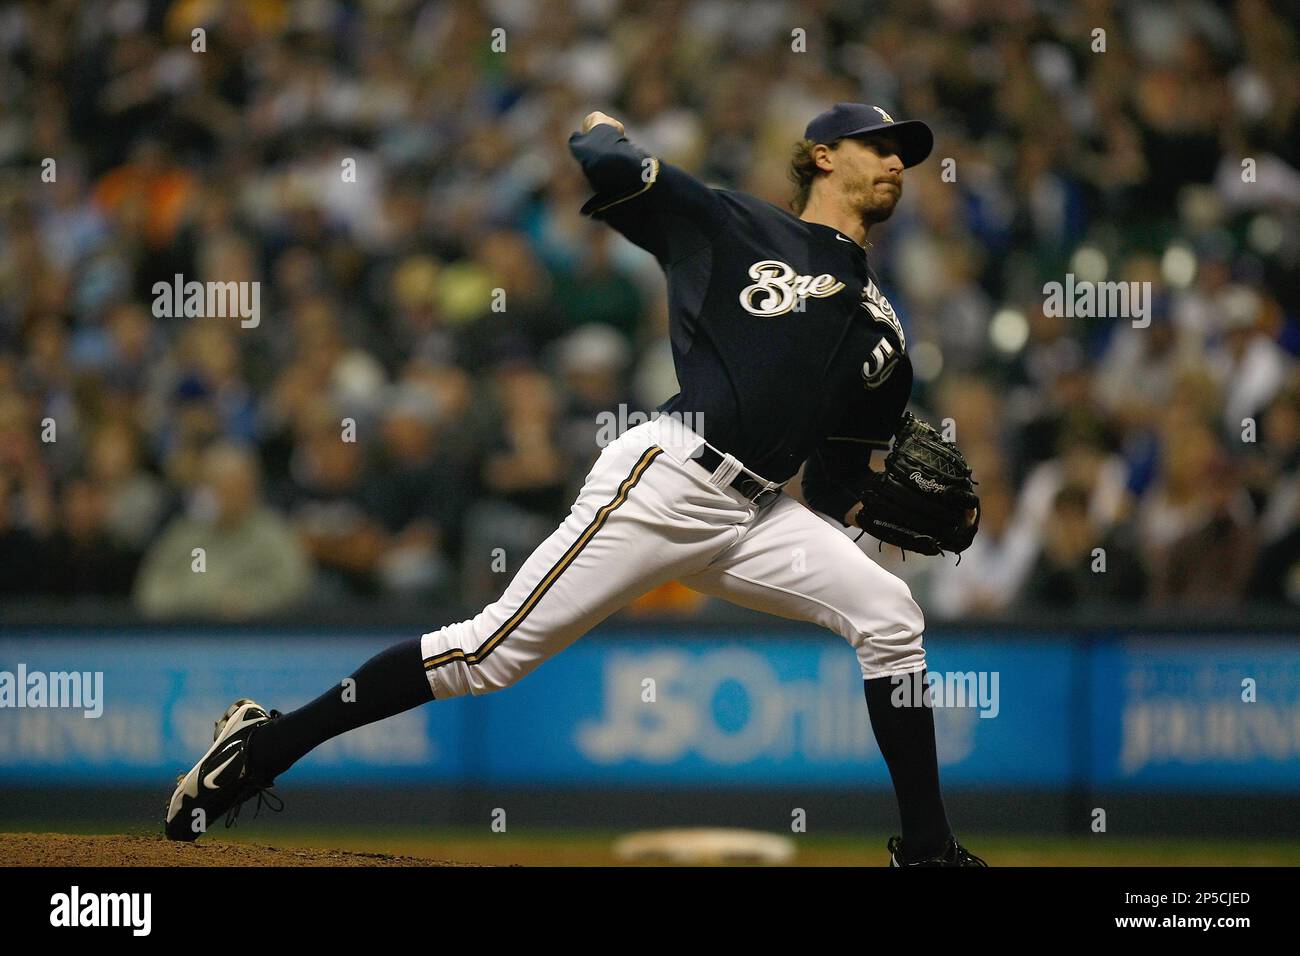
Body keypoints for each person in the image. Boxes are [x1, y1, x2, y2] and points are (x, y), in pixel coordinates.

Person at [165, 104, 985, 867]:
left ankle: (927, 852)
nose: (896, 163)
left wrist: (871, 507)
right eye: (880, 146)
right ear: (821, 154)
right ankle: (265, 744)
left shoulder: (885, 328)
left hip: (759, 509)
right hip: (666, 481)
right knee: (487, 653)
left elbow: (837, 476)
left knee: (890, 615)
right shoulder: (737, 225)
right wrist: (600, 126)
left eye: (905, 156)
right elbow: (605, 157)